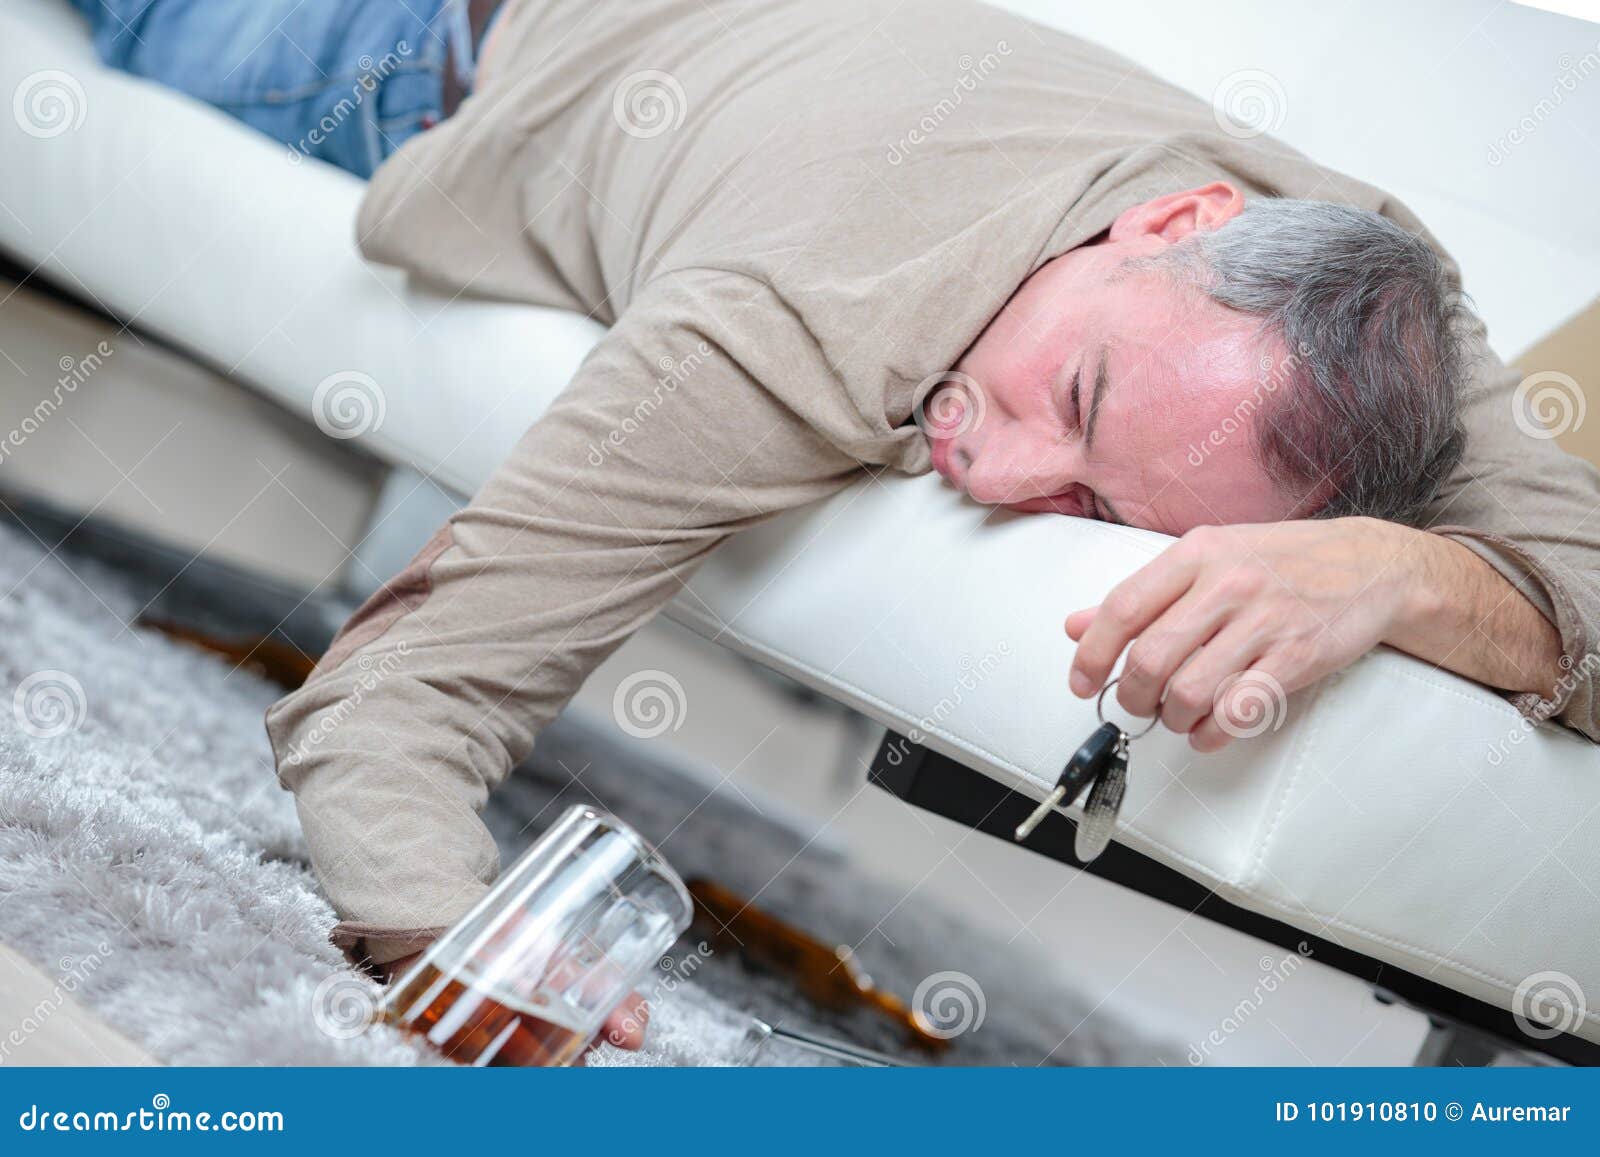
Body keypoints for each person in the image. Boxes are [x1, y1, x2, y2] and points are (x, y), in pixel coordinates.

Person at [71, 0, 1599, 983]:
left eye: (1100, 509)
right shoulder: (816, 307)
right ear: (1175, 218)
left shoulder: (1372, 290)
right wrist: (469, 960)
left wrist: (1397, 571)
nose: (996, 474)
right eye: (1076, 399)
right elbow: (390, 709)